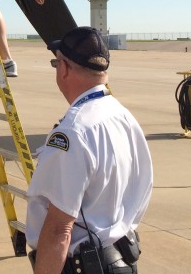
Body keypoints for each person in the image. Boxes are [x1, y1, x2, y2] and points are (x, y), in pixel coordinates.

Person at [26, 27, 153, 274]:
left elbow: (58, 231)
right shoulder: (124, 117)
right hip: (122, 258)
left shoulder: (73, 132)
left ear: (63, 69)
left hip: (83, 264)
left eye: (56, 63)